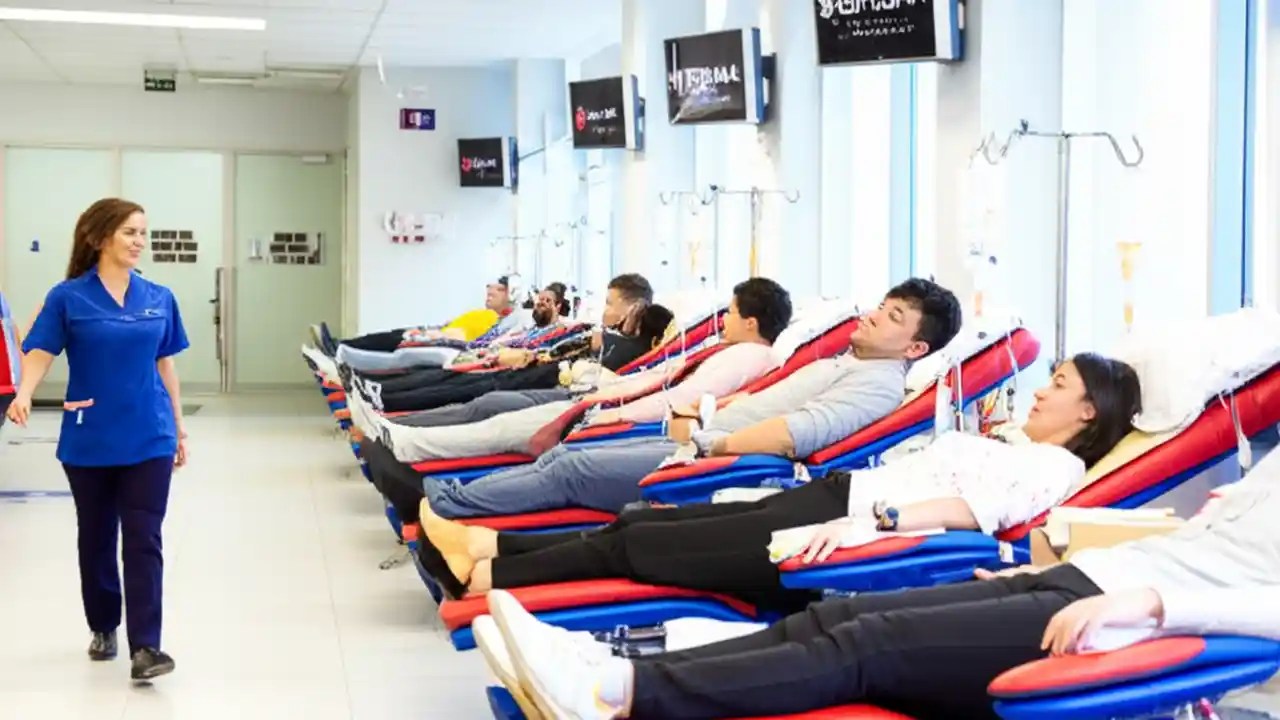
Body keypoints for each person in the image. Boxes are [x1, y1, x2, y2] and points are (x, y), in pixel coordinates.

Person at [477, 435, 1280, 720]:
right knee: (837, 620)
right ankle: (622, 672)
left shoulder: (1050, 464)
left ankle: (623, 699)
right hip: (1098, 571)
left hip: (1137, 612)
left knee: (877, 643)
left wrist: (1160, 601)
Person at [418, 353, 1140, 611]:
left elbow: (969, 512)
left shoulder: (1053, 466)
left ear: (1090, 411)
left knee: (637, 546)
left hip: (843, 529)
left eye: (1059, 386)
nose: (1041, 393)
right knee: (645, 524)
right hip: (833, 496)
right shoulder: (1013, 437)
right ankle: (486, 548)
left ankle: (485, 575)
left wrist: (880, 524)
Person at [404, 278, 961, 526]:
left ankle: (444, 505)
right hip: (692, 435)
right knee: (550, 451)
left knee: (572, 465)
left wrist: (707, 439)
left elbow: (799, 435)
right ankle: (441, 491)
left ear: (915, 346)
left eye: (891, 316)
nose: (872, 315)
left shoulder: (877, 383)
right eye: (881, 304)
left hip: (719, 459)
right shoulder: (843, 362)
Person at [4, 198, 190, 682]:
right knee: (97, 535)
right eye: (130, 232)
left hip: (150, 432)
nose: (139, 242)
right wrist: (23, 393)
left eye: (143, 233)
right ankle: (104, 624)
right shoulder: (68, 297)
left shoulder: (158, 296)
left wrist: (179, 425)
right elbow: (40, 351)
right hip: (91, 437)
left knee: (145, 537)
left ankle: (146, 646)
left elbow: (165, 363)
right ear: (99, 237)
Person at [351, 277, 792, 465]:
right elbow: (656, 378)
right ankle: (402, 431)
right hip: (602, 397)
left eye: (731, 314)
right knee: (498, 409)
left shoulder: (746, 358)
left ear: (751, 322)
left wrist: (610, 409)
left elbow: (673, 398)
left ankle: (409, 441)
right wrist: (609, 393)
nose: (723, 322)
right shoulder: (724, 349)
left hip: (617, 414)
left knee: (507, 419)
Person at [350, 275, 669, 414]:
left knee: (467, 387)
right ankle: (378, 391)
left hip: (538, 376)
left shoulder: (622, 344)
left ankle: (382, 398)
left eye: (610, 302)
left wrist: (521, 355)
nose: (605, 309)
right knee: (450, 372)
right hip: (518, 363)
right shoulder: (602, 334)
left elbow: (561, 354)